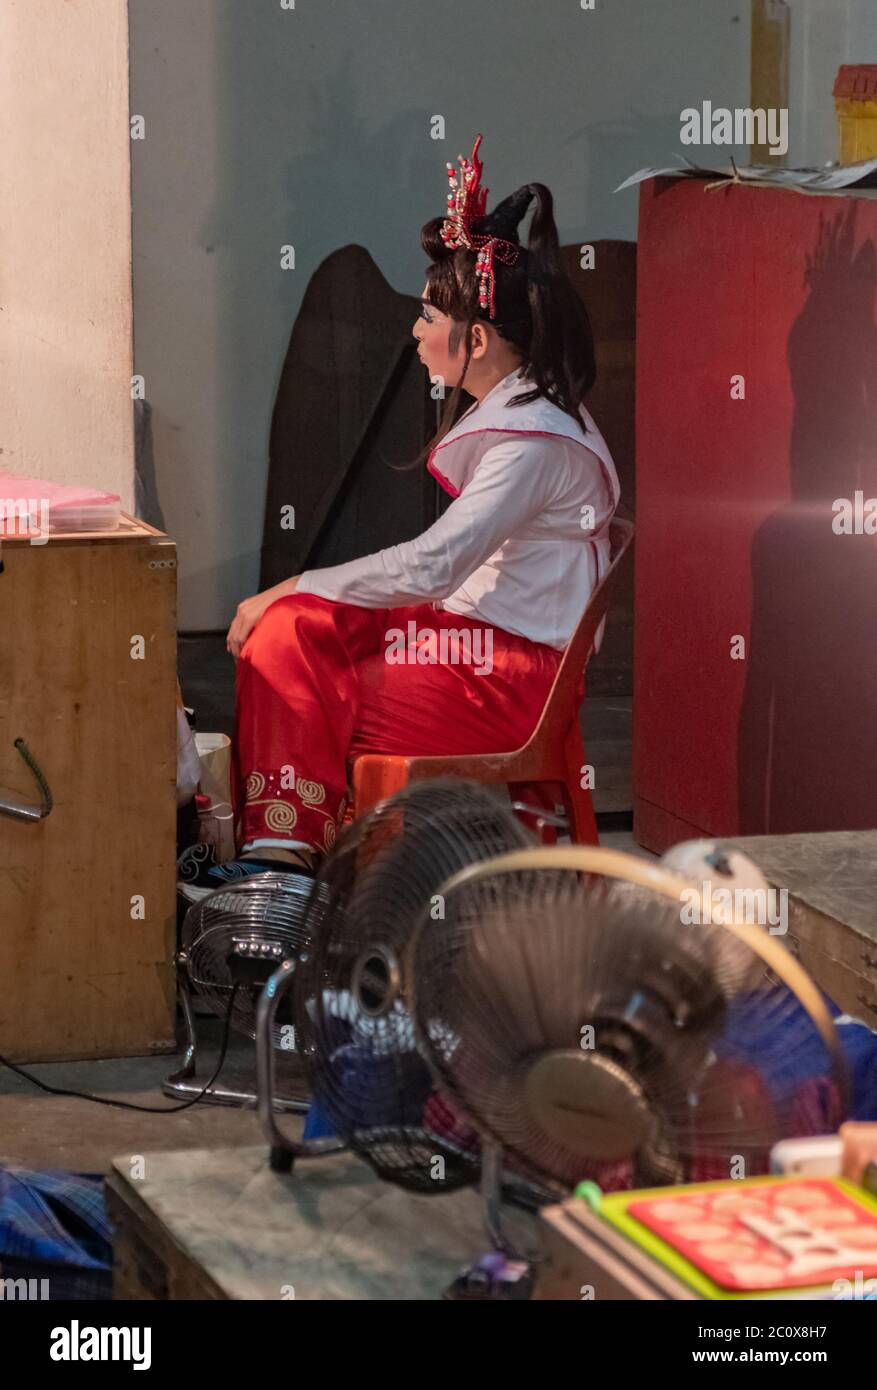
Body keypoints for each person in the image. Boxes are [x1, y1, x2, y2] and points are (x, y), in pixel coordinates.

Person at [181, 134, 620, 897]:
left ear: (474, 338)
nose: (415, 333)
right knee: (292, 634)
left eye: (427, 318)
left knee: (299, 670)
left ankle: (285, 870)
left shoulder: (530, 445)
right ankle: (282, 854)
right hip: (474, 638)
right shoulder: (533, 414)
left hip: (501, 676)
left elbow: (434, 565)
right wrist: (299, 598)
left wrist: (290, 584)